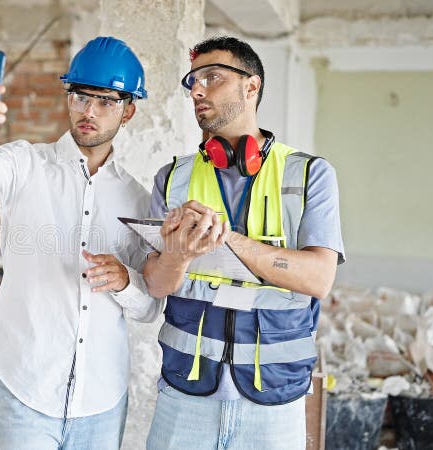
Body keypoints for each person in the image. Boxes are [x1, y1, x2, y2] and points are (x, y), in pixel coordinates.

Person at [0, 36, 162, 449]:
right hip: (26, 390)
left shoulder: (137, 200)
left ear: (128, 111)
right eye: (80, 96)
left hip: (101, 401)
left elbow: (149, 307)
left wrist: (126, 282)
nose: (88, 111)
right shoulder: (24, 165)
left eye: (105, 101)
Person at [142, 36, 345, 449]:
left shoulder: (310, 175)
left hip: (273, 402)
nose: (197, 90)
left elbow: (319, 279)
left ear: (251, 86)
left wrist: (228, 238)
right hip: (186, 392)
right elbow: (156, 284)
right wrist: (177, 256)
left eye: (212, 77)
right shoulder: (172, 178)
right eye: (193, 81)